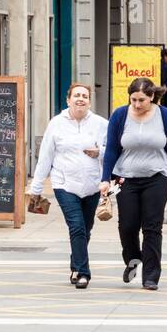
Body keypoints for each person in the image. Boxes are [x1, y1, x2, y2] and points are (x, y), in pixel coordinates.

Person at [101, 77, 167, 291]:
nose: (136, 104)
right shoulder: (120, 115)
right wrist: (105, 179)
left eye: (141, 100)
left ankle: (151, 276)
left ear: (151, 97)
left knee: (152, 227)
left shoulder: (165, 116)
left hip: (157, 177)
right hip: (125, 178)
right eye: (133, 99)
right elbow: (112, 149)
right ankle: (133, 260)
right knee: (128, 226)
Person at [28, 83, 108, 289]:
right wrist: (36, 188)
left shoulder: (100, 124)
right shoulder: (56, 123)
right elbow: (45, 156)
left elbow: (113, 151)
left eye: (84, 96)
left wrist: (99, 152)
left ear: (89, 101)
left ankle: (75, 263)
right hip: (64, 184)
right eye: (76, 96)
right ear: (68, 100)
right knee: (76, 226)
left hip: (92, 184)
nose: (80, 99)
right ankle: (83, 272)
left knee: (86, 228)